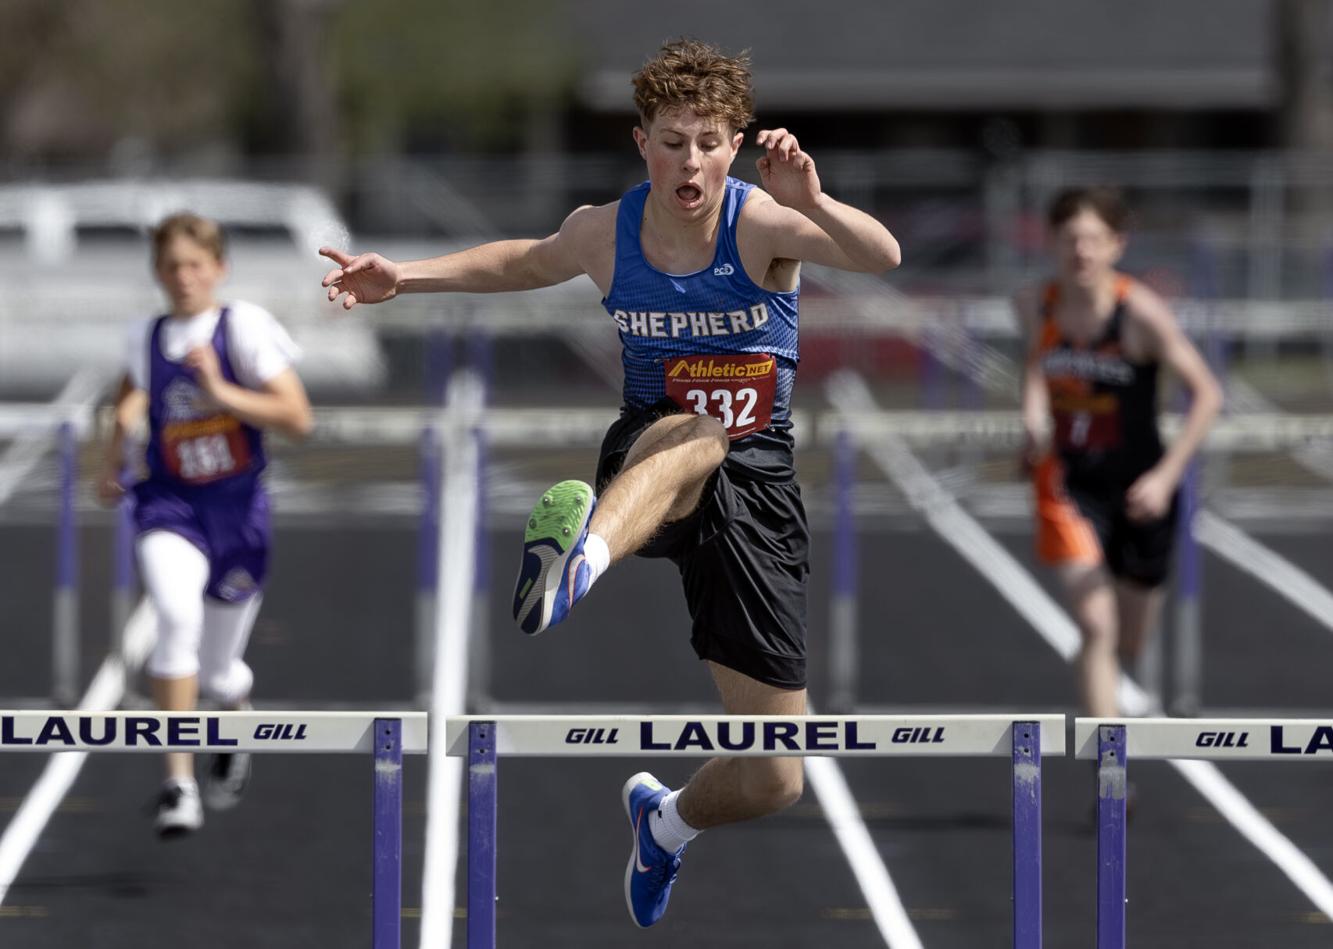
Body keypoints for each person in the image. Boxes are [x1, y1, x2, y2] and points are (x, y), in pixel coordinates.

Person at [320, 39, 900, 927]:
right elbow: (522, 262)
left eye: (708, 142)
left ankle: (663, 823)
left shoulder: (762, 223)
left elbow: (883, 257)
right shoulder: (607, 231)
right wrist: (405, 277)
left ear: (734, 145)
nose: (689, 162)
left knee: (776, 771)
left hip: (758, 487)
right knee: (695, 431)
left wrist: (813, 199)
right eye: (672, 142)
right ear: (642, 144)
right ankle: (578, 559)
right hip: (649, 459)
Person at [97, 212, 313, 837]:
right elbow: (132, 393)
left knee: (221, 670)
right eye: (171, 267)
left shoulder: (242, 327)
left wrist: (222, 393)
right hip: (168, 504)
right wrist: (113, 456)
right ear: (157, 273)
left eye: (195, 265)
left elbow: (297, 418)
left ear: (218, 268)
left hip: (237, 513)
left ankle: (234, 714)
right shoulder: (146, 334)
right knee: (174, 615)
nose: (183, 277)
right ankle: (178, 784)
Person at [1015, 187, 1222, 724]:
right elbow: (1038, 367)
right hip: (1069, 485)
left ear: (1116, 246)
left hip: (1139, 490)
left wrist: (1165, 477)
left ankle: (1100, 675)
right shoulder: (1037, 304)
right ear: (1053, 244)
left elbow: (1207, 393)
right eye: (1069, 240)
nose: (1080, 252)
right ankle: (1110, 771)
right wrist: (1033, 419)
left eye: (1092, 240)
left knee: (1127, 639)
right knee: (1096, 626)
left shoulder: (1140, 315)